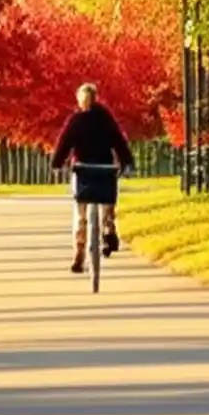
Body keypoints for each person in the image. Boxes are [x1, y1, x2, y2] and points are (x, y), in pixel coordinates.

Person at [51, 83, 134, 274]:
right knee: (108, 201)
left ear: (80, 101)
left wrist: (57, 163)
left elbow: (64, 143)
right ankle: (108, 228)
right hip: (105, 168)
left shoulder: (76, 120)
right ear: (96, 99)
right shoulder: (106, 118)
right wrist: (126, 162)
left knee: (80, 214)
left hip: (83, 170)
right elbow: (119, 141)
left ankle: (79, 255)